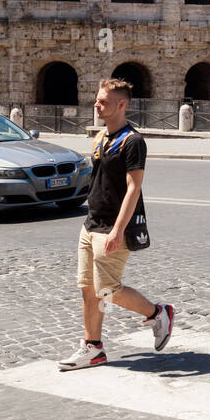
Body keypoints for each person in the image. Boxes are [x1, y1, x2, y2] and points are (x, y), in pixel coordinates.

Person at [59, 78, 172, 370]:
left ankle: (158, 313)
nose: (96, 105)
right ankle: (93, 348)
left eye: (103, 101)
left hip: (112, 227)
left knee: (107, 289)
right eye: (97, 100)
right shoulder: (100, 137)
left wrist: (118, 230)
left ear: (121, 104)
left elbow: (133, 189)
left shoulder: (133, 142)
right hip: (90, 224)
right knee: (87, 288)